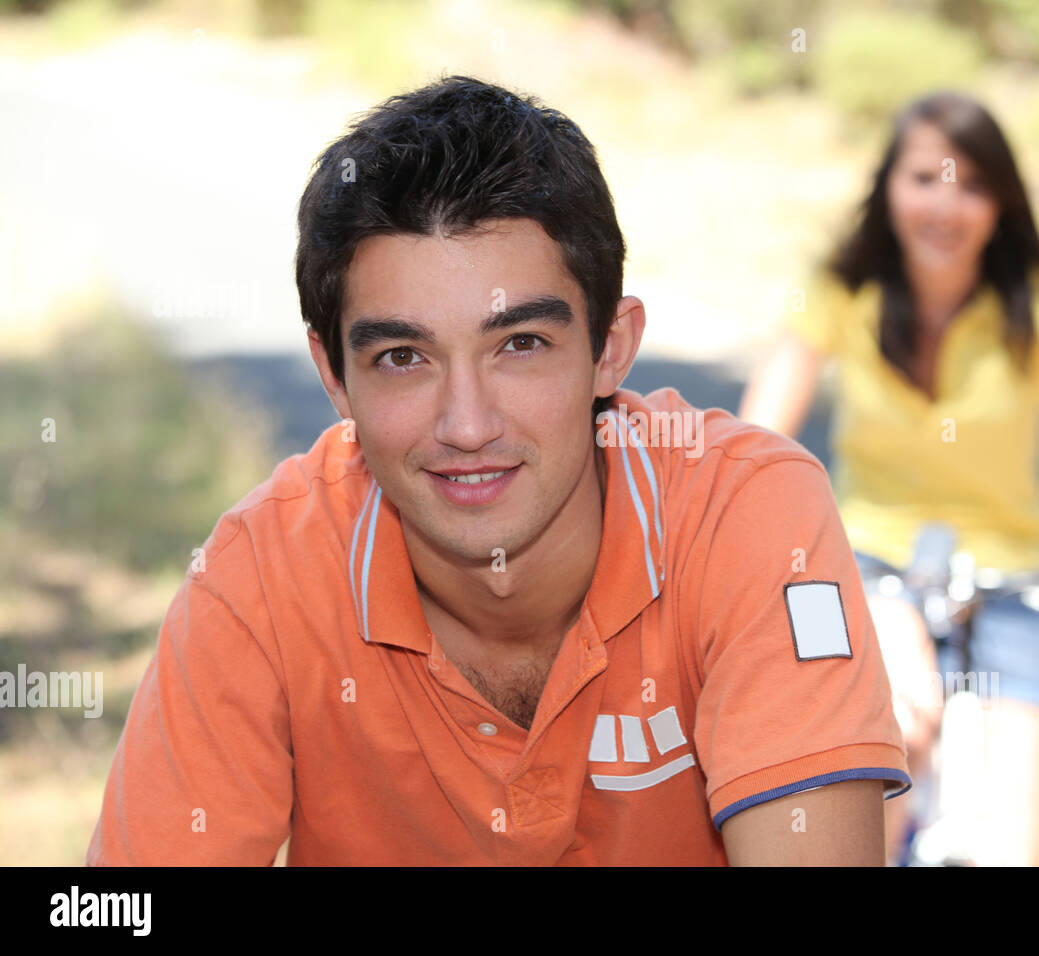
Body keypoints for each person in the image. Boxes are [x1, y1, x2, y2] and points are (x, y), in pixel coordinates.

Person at [86, 76, 912, 866]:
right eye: (403, 357)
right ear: (334, 377)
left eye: (520, 345)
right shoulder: (259, 582)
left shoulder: (745, 513)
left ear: (610, 349)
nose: (468, 426)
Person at [738, 91, 1039, 866]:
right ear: (889, 186)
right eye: (924, 177)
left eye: (972, 185)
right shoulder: (841, 292)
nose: (945, 205)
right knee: (880, 757)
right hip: (861, 566)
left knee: (1010, 849)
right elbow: (757, 444)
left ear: (1002, 203)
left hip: (1018, 579)